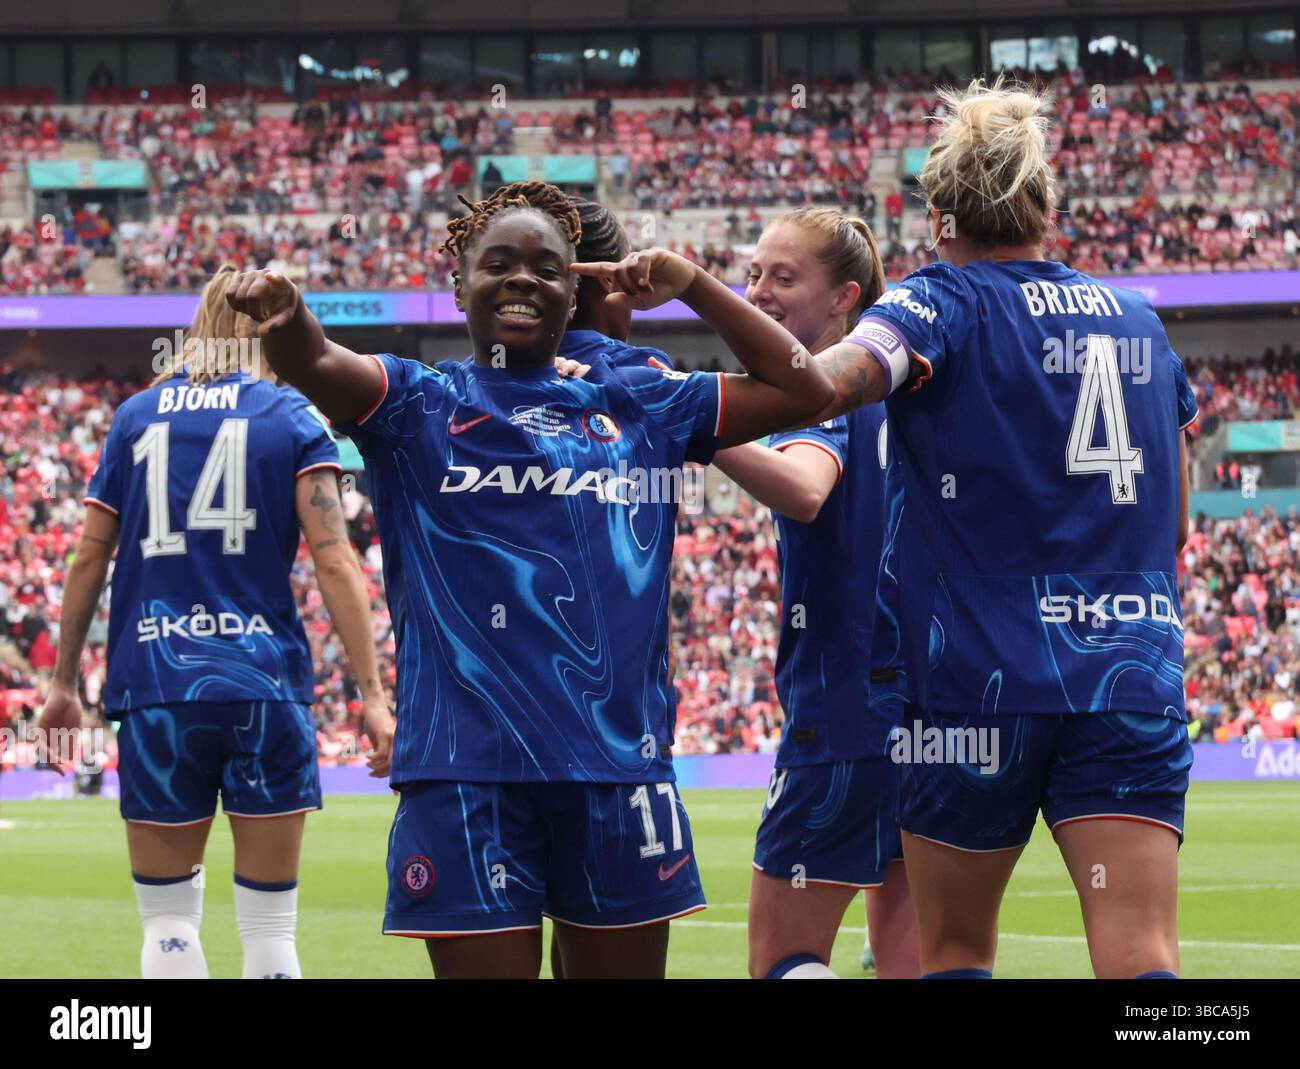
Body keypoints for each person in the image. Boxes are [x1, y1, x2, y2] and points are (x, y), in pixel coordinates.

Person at [224, 180, 833, 979]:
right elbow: (316, 359)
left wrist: (694, 287)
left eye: (547, 269)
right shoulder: (416, 403)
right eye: (499, 264)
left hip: (618, 773)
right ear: (459, 283)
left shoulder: (641, 399)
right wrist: (288, 320)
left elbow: (808, 389)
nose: (522, 280)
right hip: (466, 775)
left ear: (576, 288)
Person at [800, 79, 1197, 979]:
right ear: (1044, 206)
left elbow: (832, 382)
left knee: (955, 952)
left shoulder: (938, 300)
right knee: (1144, 962)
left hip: (971, 684)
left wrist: (705, 312)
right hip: (1127, 672)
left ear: (940, 216)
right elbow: (1171, 525)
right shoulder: (1139, 319)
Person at [37, 265, 394, 980]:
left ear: (198, 325)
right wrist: (372, 694)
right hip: (263, 687)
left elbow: (86, 560)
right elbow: (335, 562)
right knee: (270, 928)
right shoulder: (291, 415)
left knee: (169, 923)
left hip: (158, 684)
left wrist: (62, 682)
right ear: (265, 329)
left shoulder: (136, 416)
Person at [708, 207, 919, 979]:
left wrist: (704, 428)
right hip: (937, 712)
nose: (758, 290)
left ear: (845, 300)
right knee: (913, 964)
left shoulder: (826, 389)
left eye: (783, 276)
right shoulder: (912, 391)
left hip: (844, 713)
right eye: (755, 271)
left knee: (784, 961)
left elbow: (804, 489)